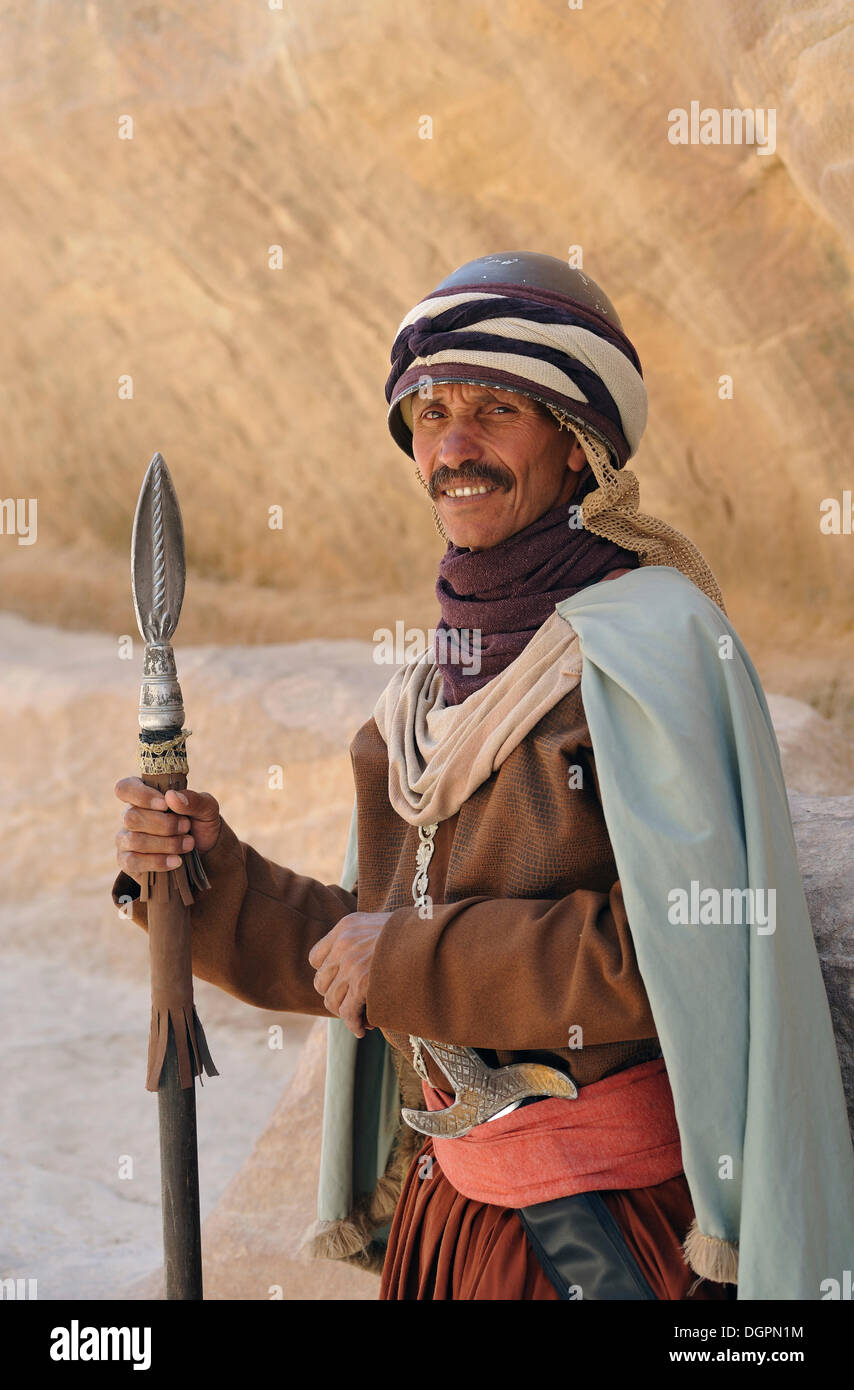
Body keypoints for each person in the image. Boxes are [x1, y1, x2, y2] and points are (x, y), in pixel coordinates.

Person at [112, 251, 854, 1301]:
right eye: (427, 414)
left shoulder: (651, 653)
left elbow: (682, 953)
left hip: (599, 1238)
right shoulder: (430, 692)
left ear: (576, 443)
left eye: (494, 409)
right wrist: (202, 877)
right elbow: (362, 948)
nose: (451, 446)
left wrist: (413, 956)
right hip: (448, 1228)